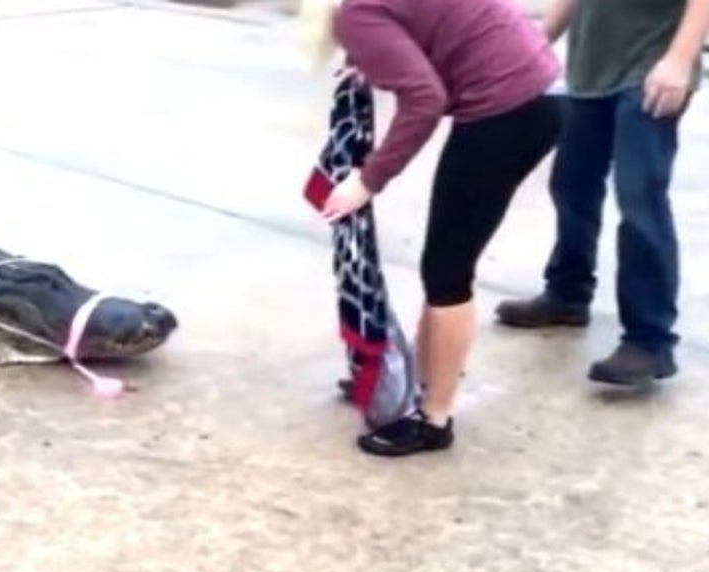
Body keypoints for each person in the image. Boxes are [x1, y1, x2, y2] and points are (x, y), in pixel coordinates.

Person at [301, 0, 563, 456]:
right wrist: (378, 60)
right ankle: (419, 388)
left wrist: (367, 180)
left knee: (447, 271)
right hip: (539, 92)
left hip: (508, 110)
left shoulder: (354, 12)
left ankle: (434, 419)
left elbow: (425, 99)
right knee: (443, 263)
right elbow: (433, 34)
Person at [494, 0, 708, 387]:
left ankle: (650, 339)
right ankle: (568, 293)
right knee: (571, 183)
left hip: (652, 66)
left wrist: (680, 58)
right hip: (591, 64)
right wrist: (536, 44)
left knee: (639, 197)